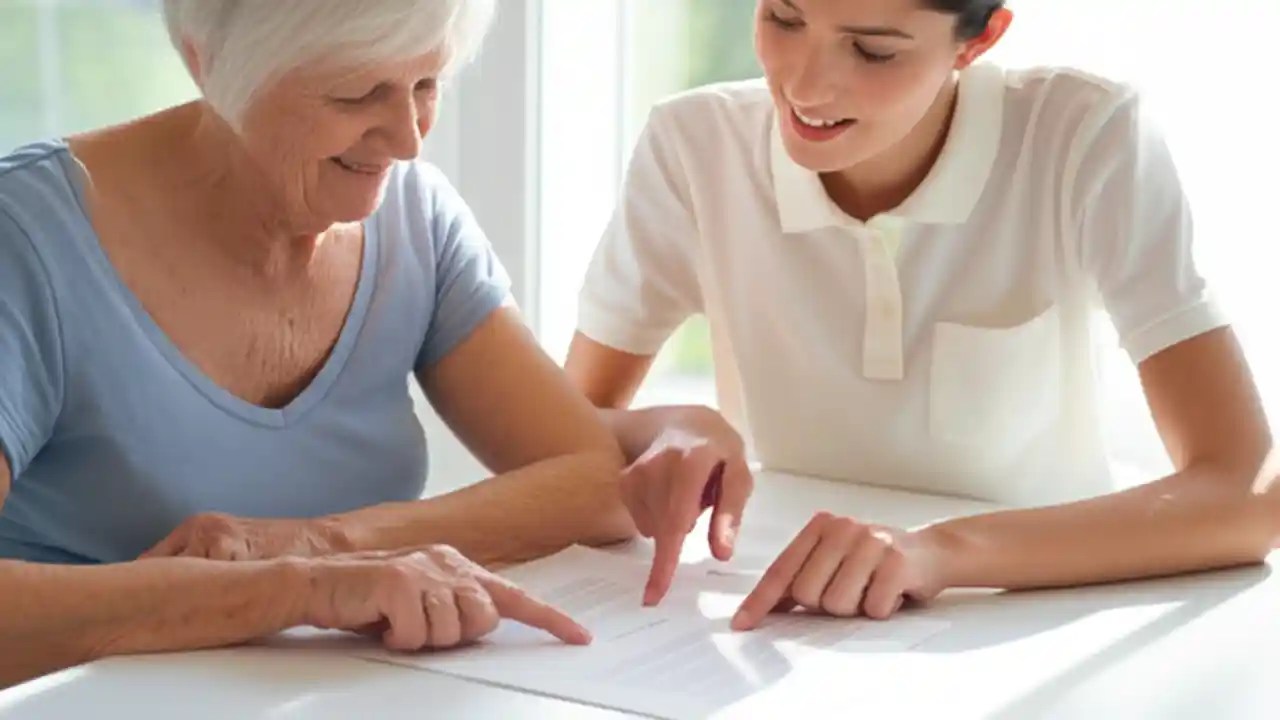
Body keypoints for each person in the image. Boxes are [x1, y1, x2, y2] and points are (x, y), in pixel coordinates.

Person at [568, 0, 1280, 627]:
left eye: (873, 49)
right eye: (783, 16)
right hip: (790, 617)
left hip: (1040, 621)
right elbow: (555, 442)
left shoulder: (1084, 136)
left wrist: (937, 552)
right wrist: (671, 427)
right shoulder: (695, 145)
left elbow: (1250, 493)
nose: (803, 83)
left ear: (979, 40)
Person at [0, 0, 634, 687]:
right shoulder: (26, 241)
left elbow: (595, 484)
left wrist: (323, 544)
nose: (409, 139)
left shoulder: (415, 217)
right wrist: (297, 589)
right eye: (357, 92)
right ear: (206, 65)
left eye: (427, 85)